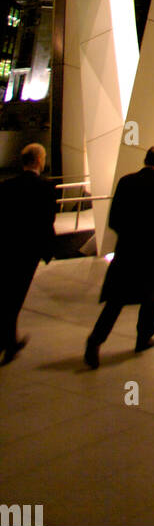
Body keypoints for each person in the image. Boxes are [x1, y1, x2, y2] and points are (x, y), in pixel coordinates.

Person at [84, 146, 154, 369]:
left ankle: (96, 340)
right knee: (149, 297)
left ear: (145, 159)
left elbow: (114, 219)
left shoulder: (126, 182)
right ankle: (143, 339)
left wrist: (128, 235)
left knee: (116, 299)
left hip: (127, 250)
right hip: (151, 252)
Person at [0, 143, 57, 364]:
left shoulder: (7, 186)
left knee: (9, 295)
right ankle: (8, 342)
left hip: (9, 247)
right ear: (39, 161)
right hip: (30, 250)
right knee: (14, 298)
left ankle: (10, 340)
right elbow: (47, 221)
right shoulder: (46, 187)